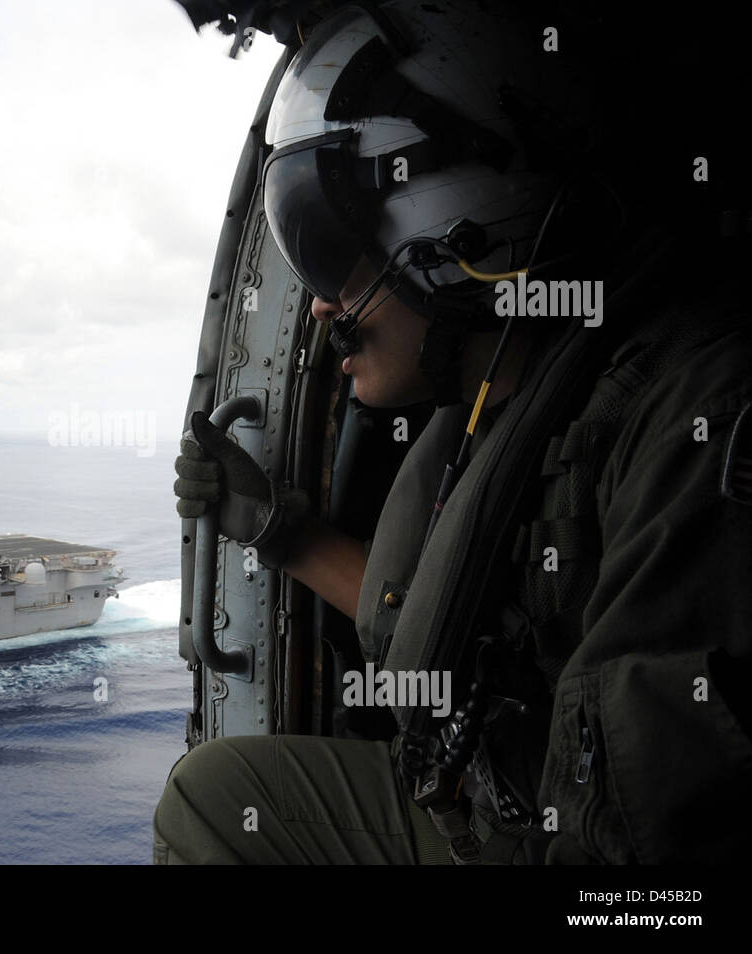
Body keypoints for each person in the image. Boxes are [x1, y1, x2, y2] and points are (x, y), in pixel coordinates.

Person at [156, 0, 752, 864]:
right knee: (211, 799)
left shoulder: (694, 422)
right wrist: (284, 534)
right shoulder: (499, 405)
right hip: (482, 799)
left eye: (328, 251)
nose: (321, 304)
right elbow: (457, 629)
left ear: (452, 221)